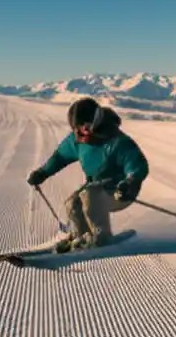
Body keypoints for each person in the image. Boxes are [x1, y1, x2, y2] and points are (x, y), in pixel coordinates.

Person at [26, 97, 149, 252]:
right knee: (73, 202)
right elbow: (61, 157)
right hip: (95, 188)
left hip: (120, 192)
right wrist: (43, 173)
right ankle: (81, 236)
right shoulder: (77, 141)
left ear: (96, 119)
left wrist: (130, 182)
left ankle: (101, 238)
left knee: (90, 195)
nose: (82, 130)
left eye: (86, 125)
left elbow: (137, 165)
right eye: (77, 127)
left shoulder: (117, 141)